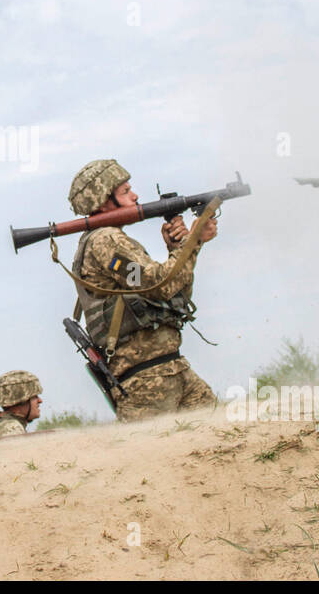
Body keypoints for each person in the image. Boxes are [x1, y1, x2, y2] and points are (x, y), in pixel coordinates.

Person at [67, 159, 218, 421]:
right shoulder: (106, 241)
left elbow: (172, 296)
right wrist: (193, 241)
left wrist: (180, 248)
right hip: (147, 382)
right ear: (103, 201)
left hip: (169, 369)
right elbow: (159, 285)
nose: (135, 196)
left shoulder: (106, 240)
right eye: (125, 192)